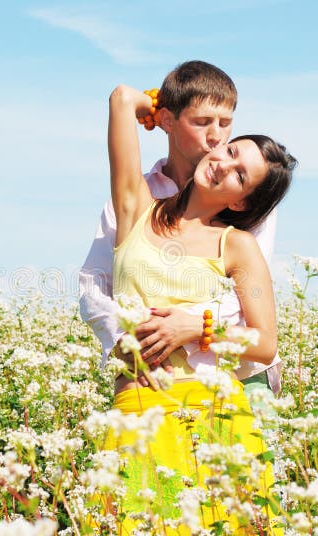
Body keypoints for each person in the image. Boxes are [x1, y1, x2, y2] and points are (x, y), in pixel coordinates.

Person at [94, 76, 296, 534]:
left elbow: (265, 344)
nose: (223, 163)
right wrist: (155, 105)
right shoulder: (135, 209)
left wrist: (198, 328)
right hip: (139, 404)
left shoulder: (238, 245)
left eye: (239, 174)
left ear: (243, 201)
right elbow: (121, 99)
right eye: (229, 150)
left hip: (216, 412)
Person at [78, 61, 283, 404]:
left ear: (240, 203)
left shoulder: (247, 212)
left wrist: (191, 328)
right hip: (146, 379)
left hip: (236, 375)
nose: (216, 137)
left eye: (226, 124)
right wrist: (127, 341)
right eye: (202, 122)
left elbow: (250, 312)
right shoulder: (136, 200)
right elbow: (96, 282)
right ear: (169, 122)